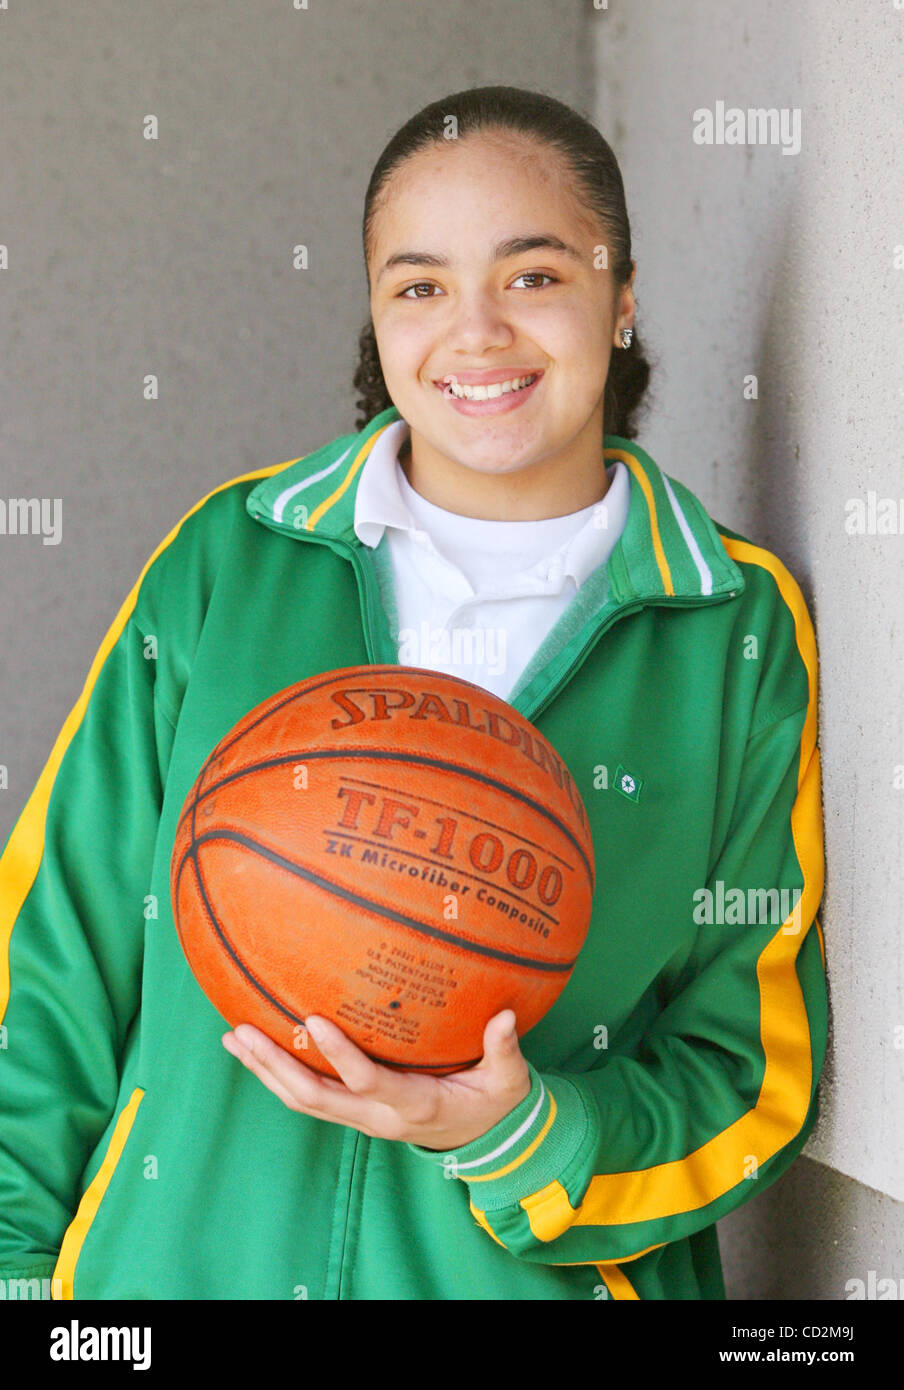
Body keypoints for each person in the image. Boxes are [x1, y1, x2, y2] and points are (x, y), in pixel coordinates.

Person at [0, 85, 827, 1301]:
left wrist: (516, 1130)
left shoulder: (732, 626)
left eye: (534, 275)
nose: (477, 333)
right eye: (421, 285)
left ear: (623, 293)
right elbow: (55, 954)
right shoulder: (232, 558)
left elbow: (748, 1073)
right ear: (378, 316)